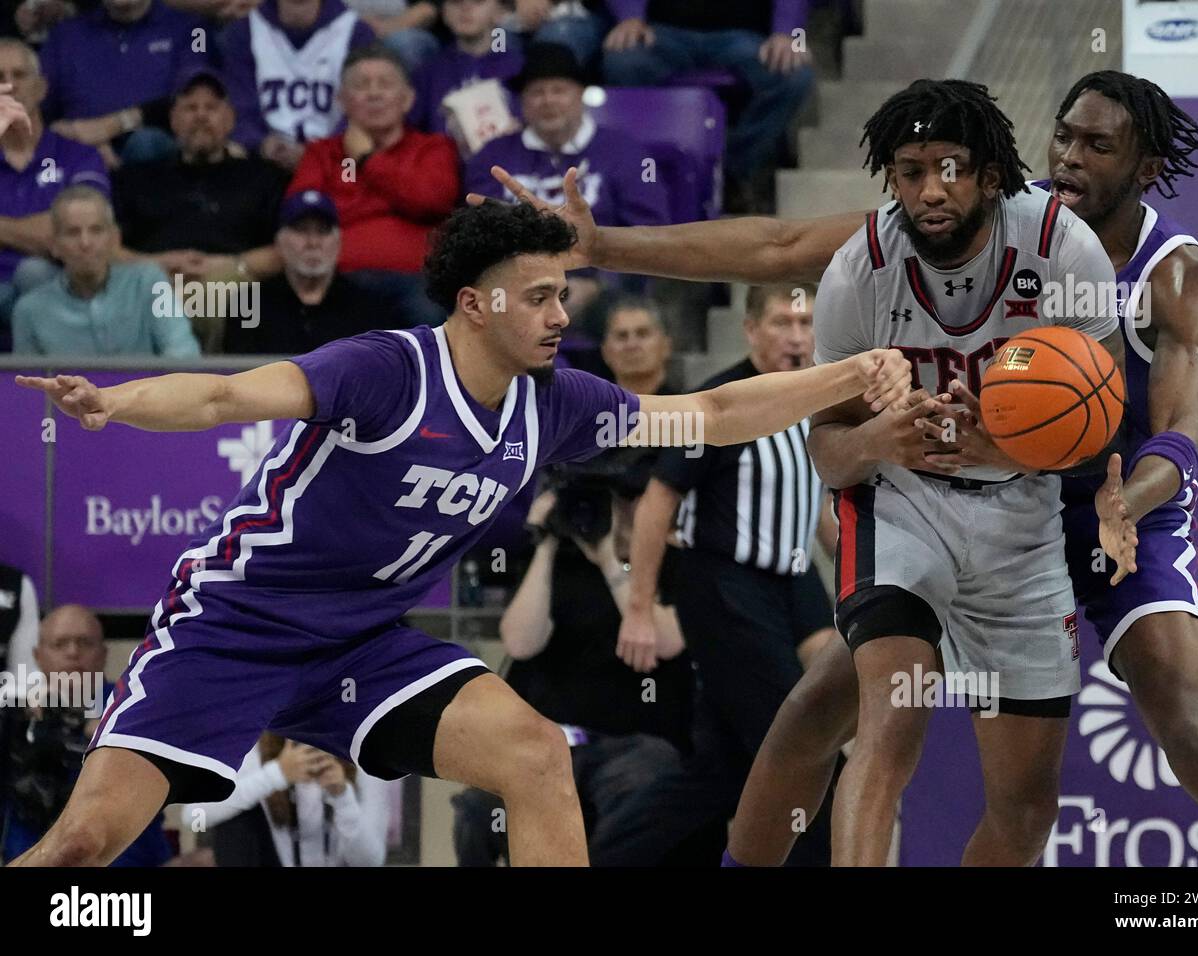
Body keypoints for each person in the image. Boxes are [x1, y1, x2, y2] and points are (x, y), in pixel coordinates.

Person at [8, 194, 912, 867]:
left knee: (535, 756)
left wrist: (845, 376)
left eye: (566, 295)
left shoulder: (556, 403)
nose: (563, 316)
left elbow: (709, 414)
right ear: (478, 306)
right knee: (83, 847)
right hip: (237, 626)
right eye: (541, 297)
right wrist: (112, 400)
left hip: (365, 645)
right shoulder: (386, 369)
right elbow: (222, 393)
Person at [483, 78, 1127, 867]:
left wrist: (1005, 445)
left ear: (992, 175)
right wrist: (882, 441)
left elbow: (1099, 434)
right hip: (900, 507)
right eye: (909, 169)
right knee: (887, 718)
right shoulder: (865, 265)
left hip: (1018, 520)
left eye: (949, 168)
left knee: (1021, 807)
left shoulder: (1062, 248)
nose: (929, 189)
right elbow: (828, 447)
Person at [589, 282, 838, 866]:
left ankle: (605, 857)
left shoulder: (816, 400)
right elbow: (657, 501)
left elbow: (817, 506)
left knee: (718, 772)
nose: (796, 337)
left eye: (805, 324)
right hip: (725, 586)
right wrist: (640, 608)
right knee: (806, 748)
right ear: (750, 329)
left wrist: (863, 582)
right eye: (782, 323)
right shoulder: (721, 401)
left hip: (791, 582)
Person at [452, 475, 694, 866]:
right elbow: (519, 641)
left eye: (633, 498)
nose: (622, 510)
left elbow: (667, 642)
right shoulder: (561, 562)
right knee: (478, 809)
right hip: (552, 739)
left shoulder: (672, 563)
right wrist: (546, 543)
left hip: (636, 741)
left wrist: (612, 563)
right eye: (615, 500)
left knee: (636, 791)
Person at [287, 43, 458, 326]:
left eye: (385, 84)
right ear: (341, 99)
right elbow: (303, 215)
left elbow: (430, 201)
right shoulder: (322, 152)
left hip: (415, 281)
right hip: (339, 276)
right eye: (362, 85)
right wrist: (397, 195)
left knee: (427, 315)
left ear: (407, 99)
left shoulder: (433, 148)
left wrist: (367, 160)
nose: (374, 93)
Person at [601, 0, 813, 212]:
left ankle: (730, 170)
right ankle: (646, 173)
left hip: (742, 35)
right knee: (622, 63)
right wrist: (629, 17)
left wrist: (788, 32)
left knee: (795, 77)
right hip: (663, 32)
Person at [0, 605, 172, 866]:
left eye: (84, 642)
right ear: (38, 655)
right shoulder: (16, 716)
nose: (73, 652)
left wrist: (85, 729)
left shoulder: (134, 709)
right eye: (60, 644)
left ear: (103, 654)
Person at [112, 65, 288, 287]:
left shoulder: (265, 178)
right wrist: (157, 264)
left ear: (230, 119)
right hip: (156, 290)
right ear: (173, 120)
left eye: (211, 107)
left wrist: (230, 266)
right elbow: (106, 249)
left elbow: (288, 248)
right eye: (190, 108)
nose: (201, 115)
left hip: (237, 294)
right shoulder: (135, 179)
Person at [464, 42, 670, 231]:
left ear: (580, 95)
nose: (548, 101)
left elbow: (648, 232)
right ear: (523, 102)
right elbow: (480, 230)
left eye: (559, 90)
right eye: (537, 92)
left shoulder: (626, 153)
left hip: (603, 268)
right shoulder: (492, 156)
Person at [0, 39, 108, 347]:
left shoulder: (78, 156)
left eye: (19, 75)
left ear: (42, 87)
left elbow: (73, 229)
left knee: (33, 274)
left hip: (58, 288)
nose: (8, 85)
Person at [11, 184, 201, 356]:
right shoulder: (29, 311)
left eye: (96, 230)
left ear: (114, 239)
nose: (85, 243)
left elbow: (184, 355)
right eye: (72, 232)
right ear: (54, 245)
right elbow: (28, 389)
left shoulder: (148, 283)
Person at [221, 190, 405, 353]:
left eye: (323, 231)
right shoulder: (248, 305)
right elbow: (237, 372)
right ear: (279, 242)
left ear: (338, 242)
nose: (313, 243)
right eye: (301, 231)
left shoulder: (369, 308)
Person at [39, 0, 208, 166]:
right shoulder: (65, 35)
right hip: (79, 156)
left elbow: (194, 94)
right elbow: (38, 104)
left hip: (163, 159)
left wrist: (112, 125)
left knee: (146, 143)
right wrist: (77, 139)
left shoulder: (193, 30)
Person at [185, 733, 394, 866]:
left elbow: (371, 860)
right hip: (271, 860)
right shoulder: (257, 748)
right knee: (236, 817)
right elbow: (193, 817)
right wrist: (278, 774)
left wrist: (341, 795)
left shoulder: (361, 755)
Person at [221, 0, 377, 172]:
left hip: (336, 162)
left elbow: (361, 112)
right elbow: (239, 105)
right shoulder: (244, 32)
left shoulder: (356, 32)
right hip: (263, 161)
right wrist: (262, 142)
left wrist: (319, 152)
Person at [409, 0, 521, 136]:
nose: (466, 8)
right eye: (456, 2)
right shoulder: (427, 73)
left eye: (477, 2)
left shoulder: (520, 67)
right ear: (444, 13)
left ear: (499, 12)